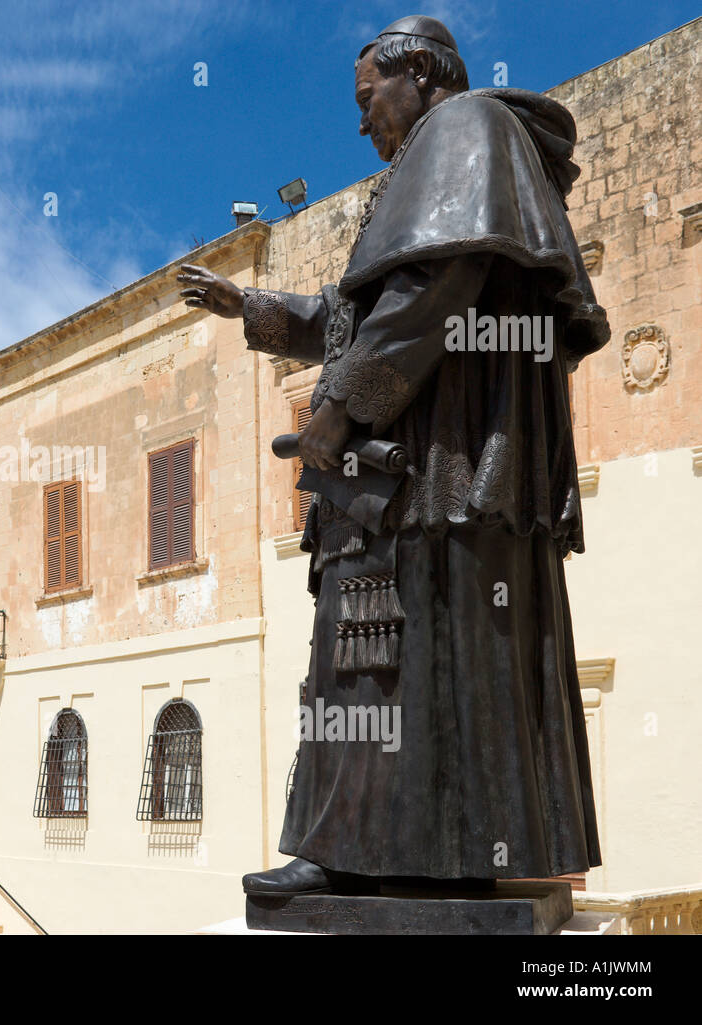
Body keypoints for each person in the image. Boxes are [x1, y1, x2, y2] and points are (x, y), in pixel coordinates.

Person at [179, 15, 605, 893]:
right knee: (385, 660)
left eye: (368, 97)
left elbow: (431, 290)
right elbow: (356, 317)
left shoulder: (466, 127)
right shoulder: (429, 161)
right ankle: (381, 854)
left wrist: (337, 413)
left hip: (435, 470)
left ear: (419, 73)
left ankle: (398, 859)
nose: (361, 120)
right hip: (417, 476)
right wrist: (249, 306)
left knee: (396, 654)